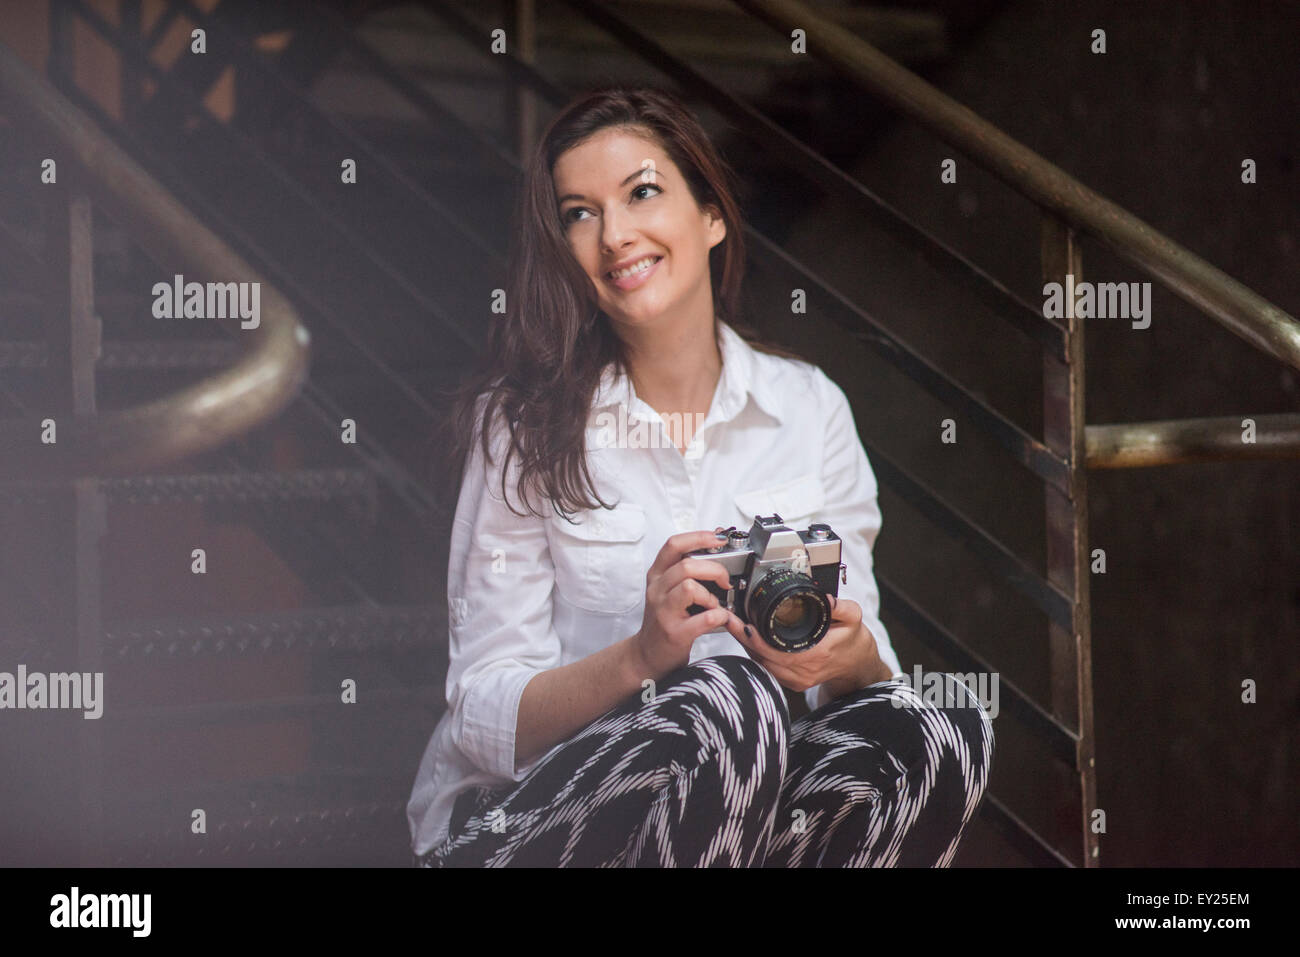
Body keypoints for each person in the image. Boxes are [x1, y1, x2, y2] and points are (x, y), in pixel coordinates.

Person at [407, 84, 993, 867]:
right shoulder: (520, 425)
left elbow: (866, 658)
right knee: (731, 699)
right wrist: (641, 656)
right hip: (519, 826)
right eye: (580, 213)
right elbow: (481, 710)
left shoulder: (808, 408)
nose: (615, 234)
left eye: (642, 192)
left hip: (740, 818)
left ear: (711, 214)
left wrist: (846, 660)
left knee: (939, 730)